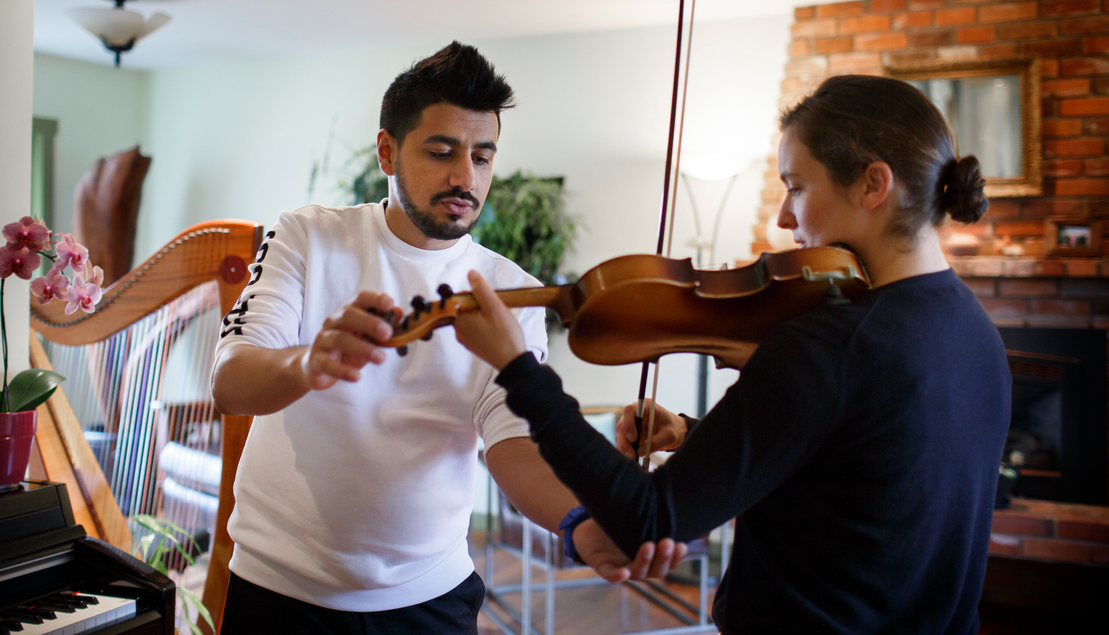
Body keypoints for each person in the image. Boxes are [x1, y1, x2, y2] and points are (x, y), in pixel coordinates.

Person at [454, 74, 1012, 634]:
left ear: (873, 185)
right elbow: (856, 463)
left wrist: (518, 370)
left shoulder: (828, 346)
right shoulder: (977, 332)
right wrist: (693, 436)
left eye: (796, 187)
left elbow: (647, 520)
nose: (785, 218)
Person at [210, 42, 668, 634]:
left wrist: (580, 523)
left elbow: (513, 447)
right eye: (442, 152)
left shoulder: (514, 292)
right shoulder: (307, 236)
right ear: (387, 151)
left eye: (482, 156)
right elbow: (231, 381)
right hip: (279, 589)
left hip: (431, 598)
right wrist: (308, 364)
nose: (465, 177)